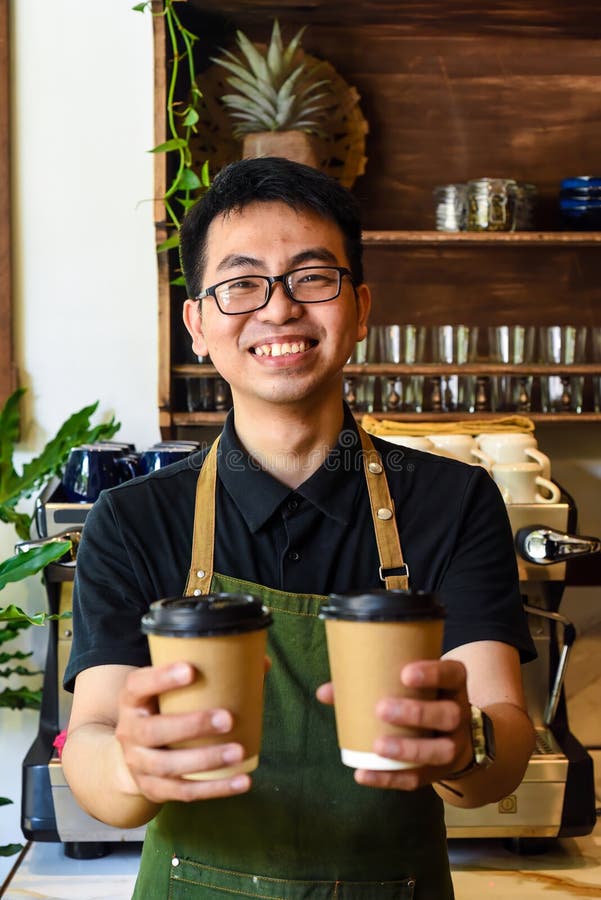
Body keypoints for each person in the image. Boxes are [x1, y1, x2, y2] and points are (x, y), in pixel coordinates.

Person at [62, 157, 536, 899]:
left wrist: (463, 744)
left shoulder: (452, 501)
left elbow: (500, 748)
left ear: (360, 306)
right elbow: (90, 736)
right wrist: (130, 765)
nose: (279, 310)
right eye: (241, 283)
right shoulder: (133, 517)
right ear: (198, 324)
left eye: (312, 277)